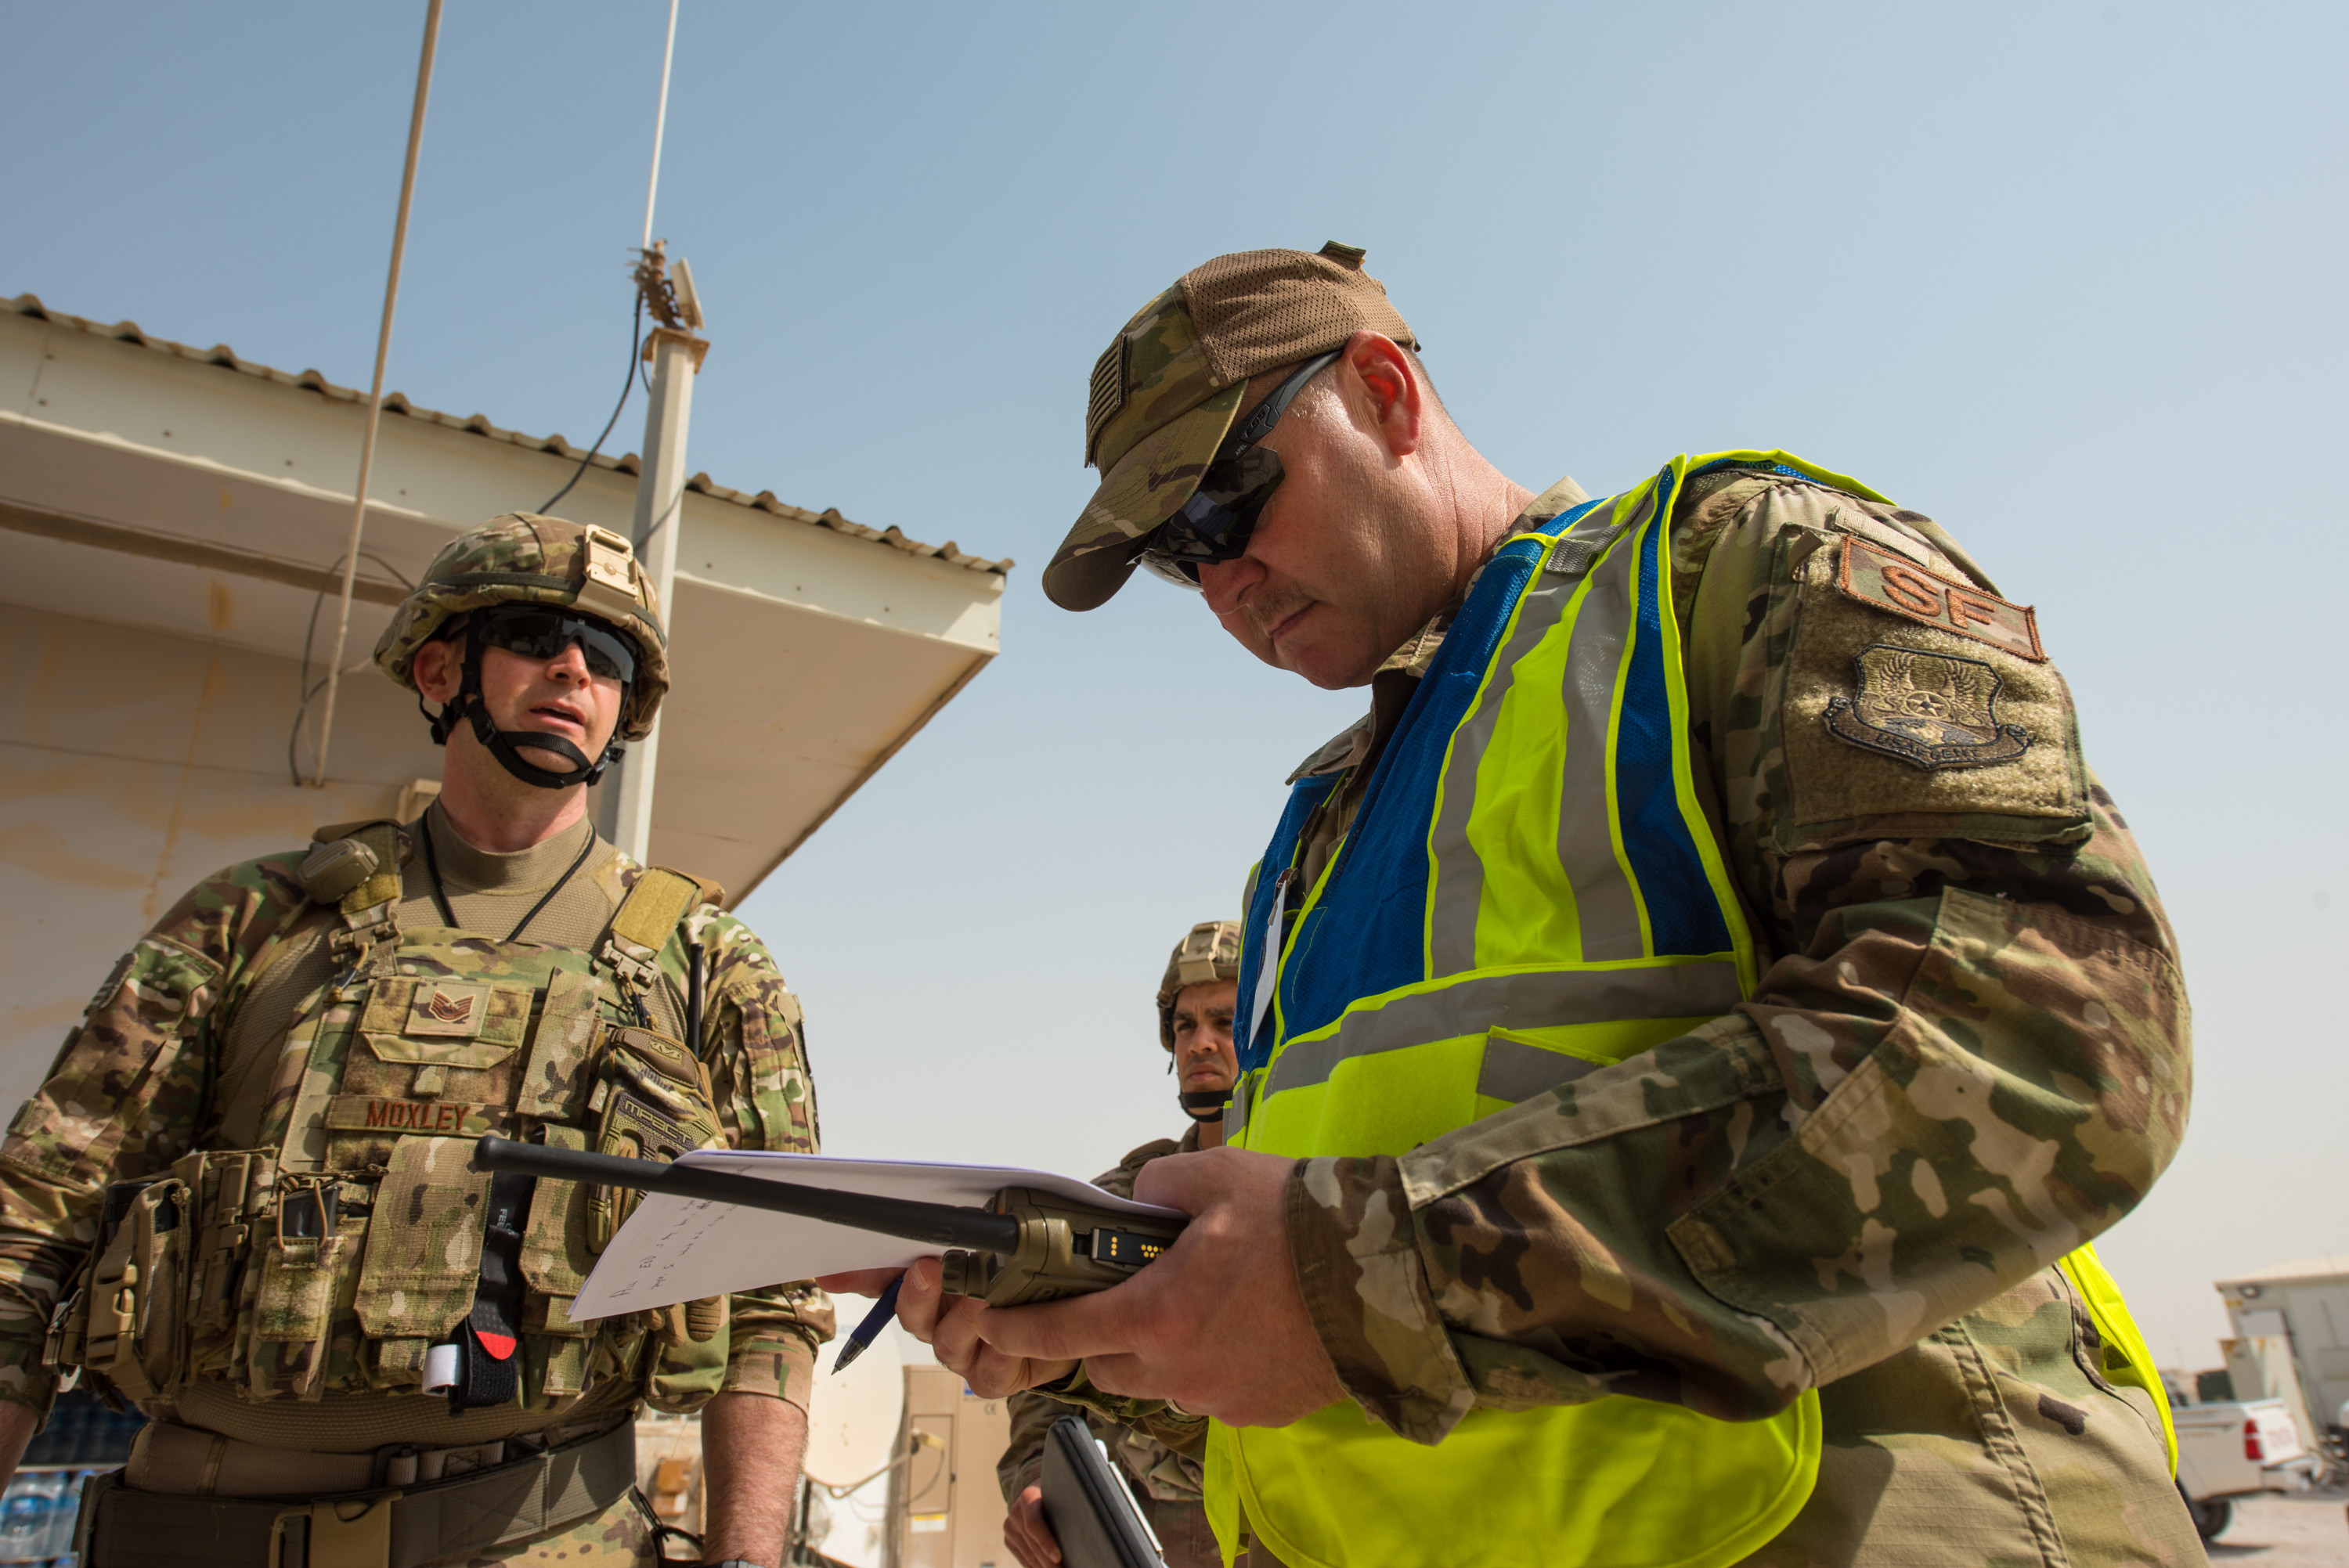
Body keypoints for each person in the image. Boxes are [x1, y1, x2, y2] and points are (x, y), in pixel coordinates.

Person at [827, 245, 2196, 1566]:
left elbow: (2044, 1030)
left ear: (1384, 390)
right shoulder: (1320, 826)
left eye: (1226, 502)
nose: (1223, 580)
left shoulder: (1726, 568)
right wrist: (1077, 1286)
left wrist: (1367, 1280)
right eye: (1178, 557)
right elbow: (1328, 1217)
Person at [0, 515, 831, 1568]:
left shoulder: (707, 960)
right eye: (534, 635)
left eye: (609, 656)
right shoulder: (253, 919)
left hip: (546, 1533)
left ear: (628, 705)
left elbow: (772, 1286)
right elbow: (31, 1228)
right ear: (442, 667)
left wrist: (748, 1551)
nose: (574, 668)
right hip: (203, 1529)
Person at [995, 919, 1239, 1568]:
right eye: (1185, 1026)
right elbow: (1039, 1360)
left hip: (1260, 1528)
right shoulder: (1125, 1198)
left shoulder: (1296, 1195)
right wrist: (1034, 1481)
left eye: (1224, 1021)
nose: (1201, 1043)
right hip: (1137, 1524)